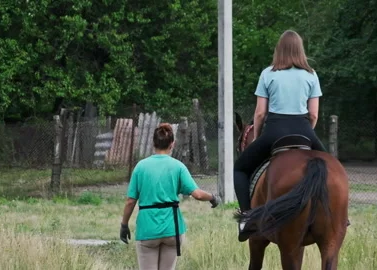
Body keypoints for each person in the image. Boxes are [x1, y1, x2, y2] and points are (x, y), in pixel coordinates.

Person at [234, 30, 328, 237]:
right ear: (300, 51)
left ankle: (247, 217)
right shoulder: (311, 74)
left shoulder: (268, 73)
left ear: (279, 50)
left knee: (240, 169)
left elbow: (259, 114)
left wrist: (258, 137)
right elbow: (313, 114)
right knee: (330, 166)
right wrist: (306, 134)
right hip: (304, 130)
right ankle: (339, 216)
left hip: (275, 130)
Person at [120, 123, 220, 270]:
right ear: (172, 144)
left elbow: (130, 201)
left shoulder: (140, 167)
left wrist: (124, 225)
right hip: (172, 229)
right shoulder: (178, 167)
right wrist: (212, 197)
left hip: (148, 229)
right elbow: (197, 194)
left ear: (153, 143)